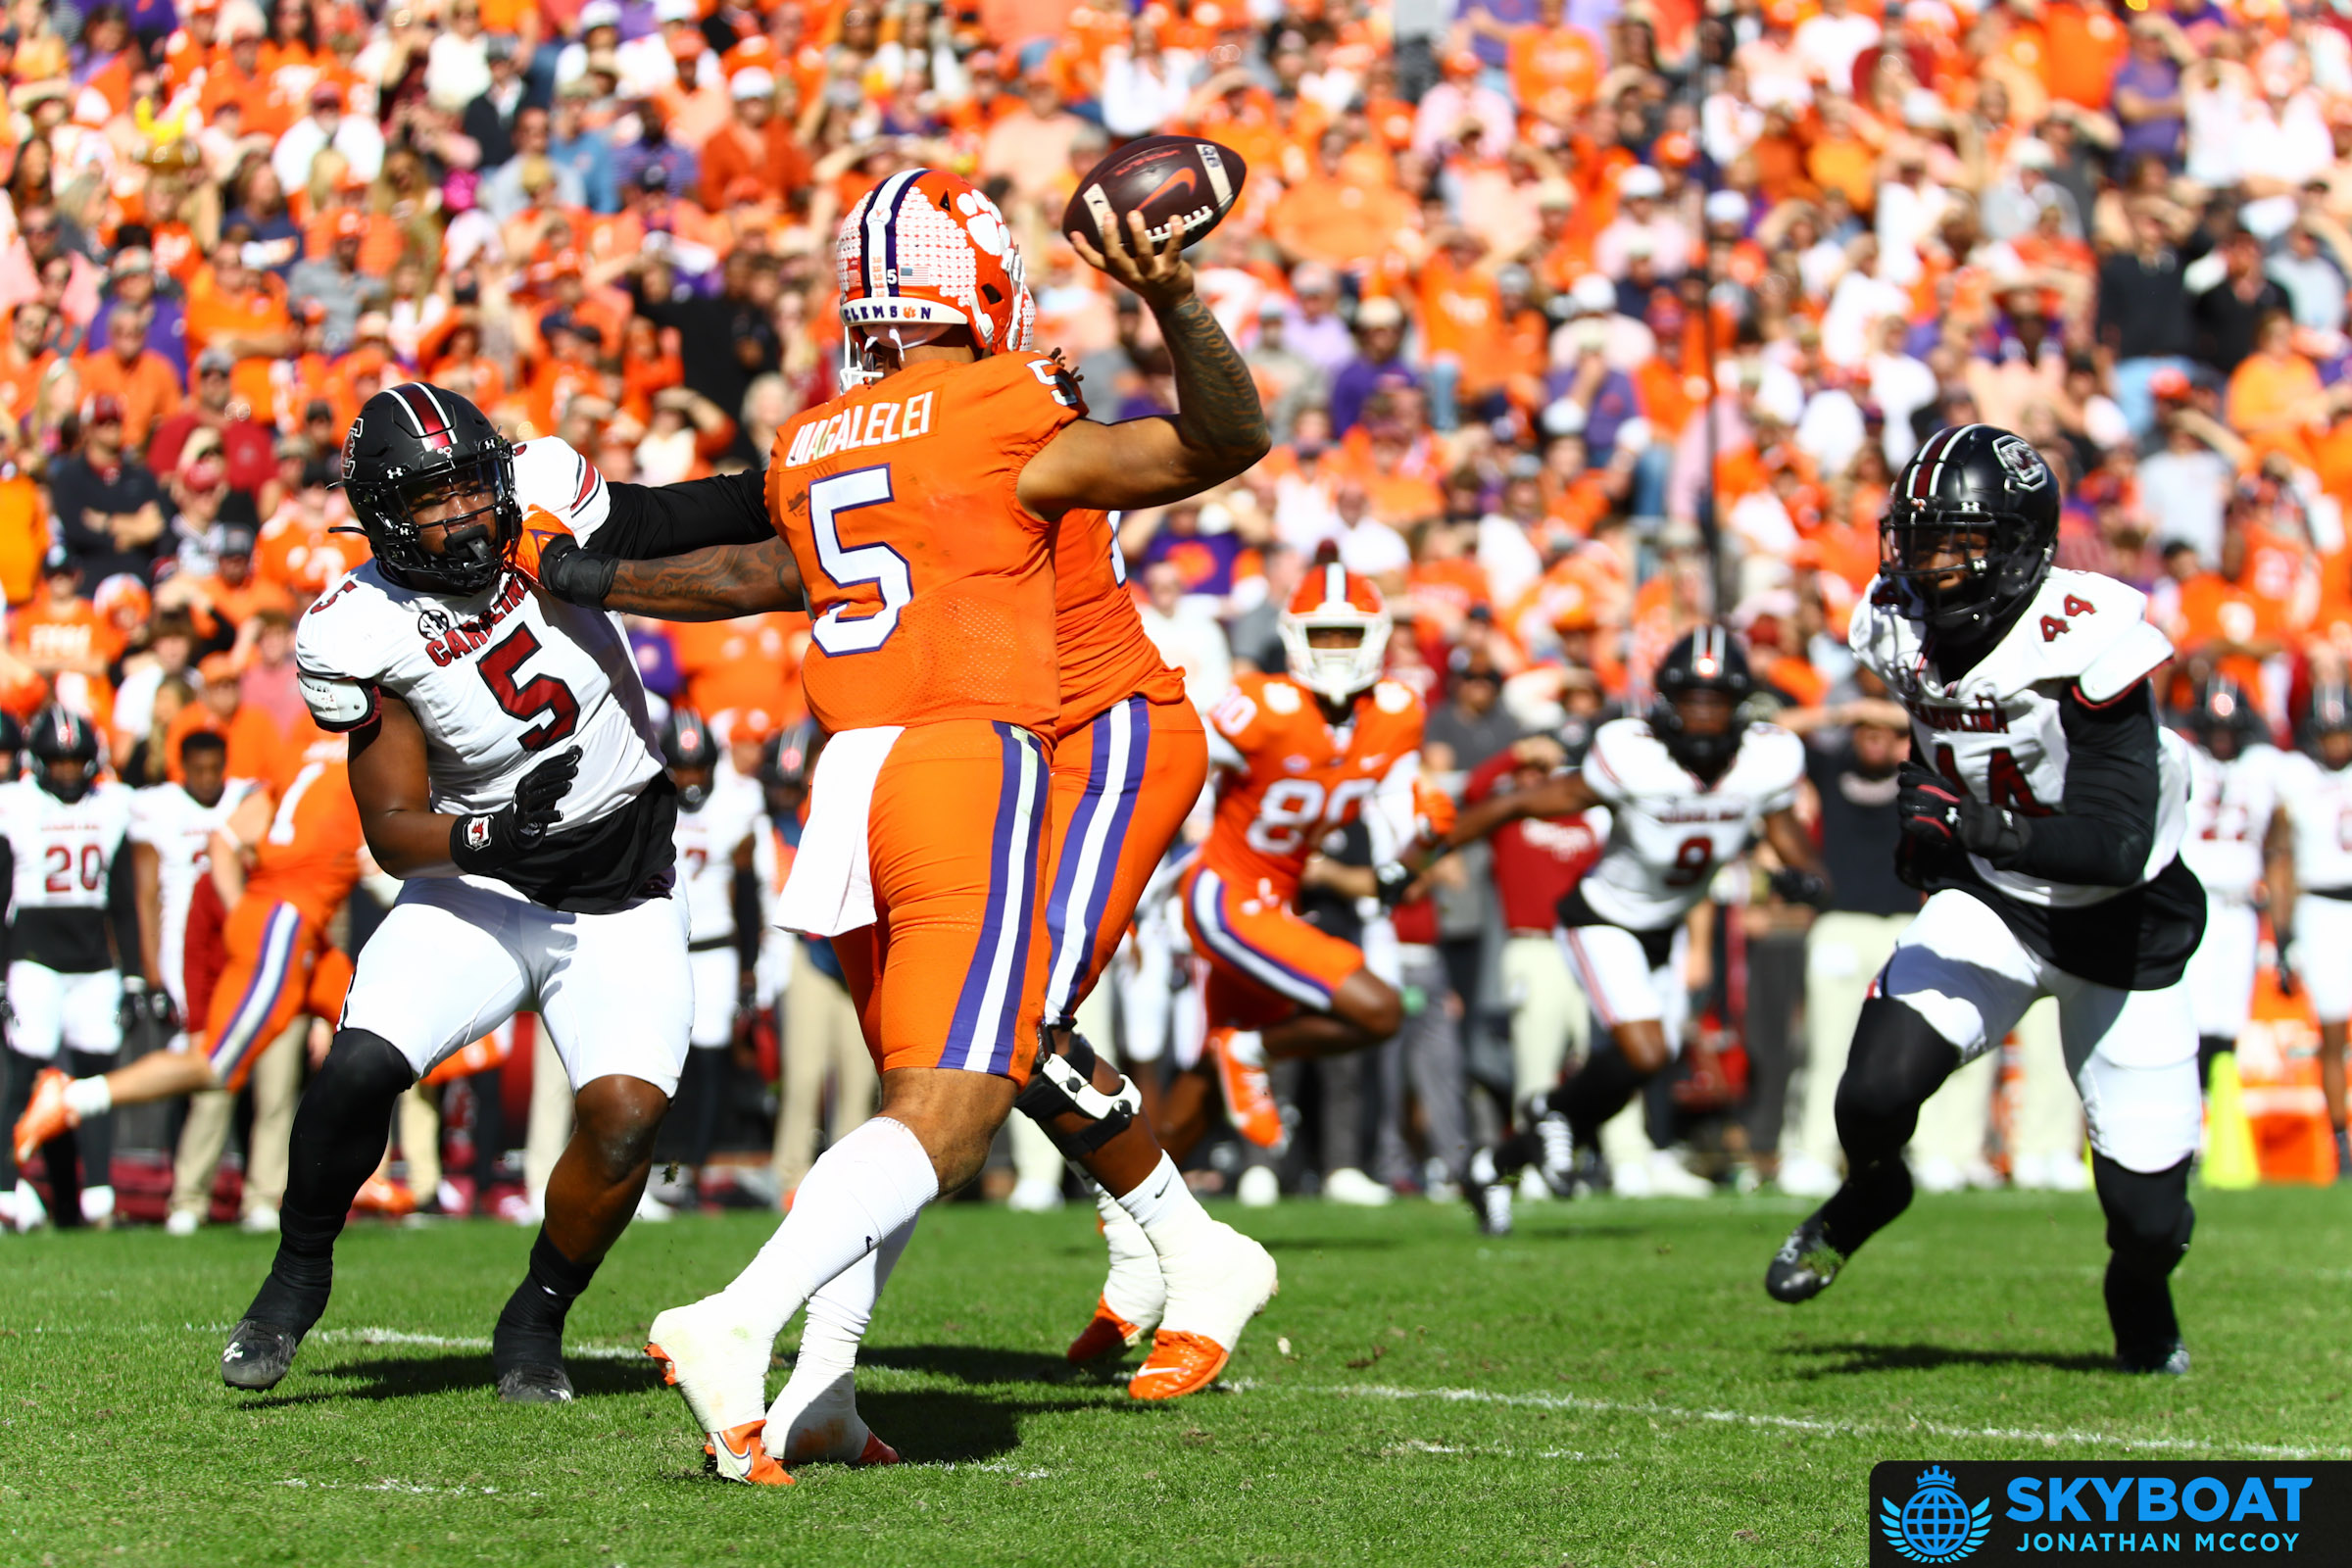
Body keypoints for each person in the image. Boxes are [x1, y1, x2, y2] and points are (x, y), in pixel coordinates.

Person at [529, 168, 1272, 1480]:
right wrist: (1173, 296)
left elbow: (769, 565)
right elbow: (1216, 445)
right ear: (983, 284)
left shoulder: (824, 433)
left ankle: (852, 1368)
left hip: (981, 750)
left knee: (963, 1058)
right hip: (986, 743)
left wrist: (589, 571)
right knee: (951, 1082)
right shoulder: (1006, 396)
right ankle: (795, 1335)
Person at [208, 382, 790, 1405]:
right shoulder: (358, 625)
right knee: (356, 1069)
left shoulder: (546, 496)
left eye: (474, 486)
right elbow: (392, 831)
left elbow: (713, 508)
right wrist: (491, 829)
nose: (465, 514)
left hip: (621, 883)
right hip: (486, 884)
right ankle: (298, 1269)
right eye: (432, 499)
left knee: (623, 1122)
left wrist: (815, 486)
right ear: (384, 514)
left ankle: (535, 1317)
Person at [1763, 423, 2205, 1378]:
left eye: (1962, 543)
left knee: (2149, 1218)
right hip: (1998, 903)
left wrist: (1964, 822)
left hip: (2122, 923)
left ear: (2022, 546)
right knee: (1872, 1094)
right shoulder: (1893, 617)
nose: (1937, 566)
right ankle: (1874, 1192)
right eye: (1921, 540)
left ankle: (2139, 1287)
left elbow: (2116, 844)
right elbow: (1944, 738)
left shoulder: (2087, 638)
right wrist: (1937, 803)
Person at [1441, 628, 1826, 1232]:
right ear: (1666, 703)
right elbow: (1523, 804)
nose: (1703, 715)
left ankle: (1497, 1165)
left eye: (1716, 700)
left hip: (1665, 926)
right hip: (1604, 917)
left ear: (1740, 705)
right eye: (1691, 700)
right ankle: (1554, 1115)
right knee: (1643, 1049)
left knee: (1644, 1063)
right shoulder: (1632, 753)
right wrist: (1426, 850)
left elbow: (1783, 827)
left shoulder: (1766, 759)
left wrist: (1804, 872)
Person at [16, 729, 362, 1224]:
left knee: (379, 1030)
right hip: (286, 923)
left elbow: (226, 838)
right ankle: (73, 1096)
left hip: (293, 929)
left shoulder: (298, 753)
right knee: (214, 1067)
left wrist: (241, 910)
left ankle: (363, 1179)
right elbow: (386, 847)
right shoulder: (361, 762)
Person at [0, 708, 140, 1230]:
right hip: (33, 955)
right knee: (23, 1075)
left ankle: (98, 1196)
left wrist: (134, 974)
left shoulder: (113, 806)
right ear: (38, 763)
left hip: (94, 960)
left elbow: (124, 898)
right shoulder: (14, 804)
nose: (65, 772)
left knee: (94, 1081)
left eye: (74, 761)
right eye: (56, 762)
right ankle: (7, 1193)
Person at [659, 706, 762, 1196]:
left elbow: (747, 894)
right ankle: (665, 1162)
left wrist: (748, 966)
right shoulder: (651, 805)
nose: (691, 776)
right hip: (666, 946)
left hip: (716, 946)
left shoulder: (734, 811)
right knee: (666, 1060)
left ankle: (694, 1167)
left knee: (710, 1057)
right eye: (683, 764)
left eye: (698, 764)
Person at [2177, 677, 2284, 1097]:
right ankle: (2193, 1114)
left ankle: (2216, 1114)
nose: (2222, 739)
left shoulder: (2264, 765)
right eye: (2214, 728)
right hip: (2195, 900)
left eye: (2230, 729)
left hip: (2241, 906)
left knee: (2229, 1017)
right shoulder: (2182, 756)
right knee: (2194, 1014)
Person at [2269, 683, 2352, 1180]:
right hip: (2321, 908)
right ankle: (2341, 1142)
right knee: (2333, 1028)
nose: (2335, 743)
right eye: (2328, 733)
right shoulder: (2294, 779)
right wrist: (2283, 932)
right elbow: (2280, 861)